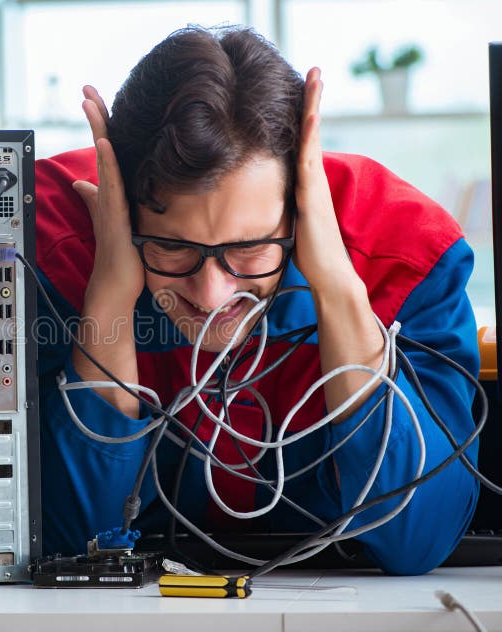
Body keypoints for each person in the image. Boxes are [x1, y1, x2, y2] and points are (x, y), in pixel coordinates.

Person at [32, 25, 479, 575]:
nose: (212, 293)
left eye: (248, 248)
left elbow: (418, 540)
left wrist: (337, 286)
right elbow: (76, 545)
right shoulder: (43, 246)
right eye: (172, 246)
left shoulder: (408, 253)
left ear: (298, 199)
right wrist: (110, 296)